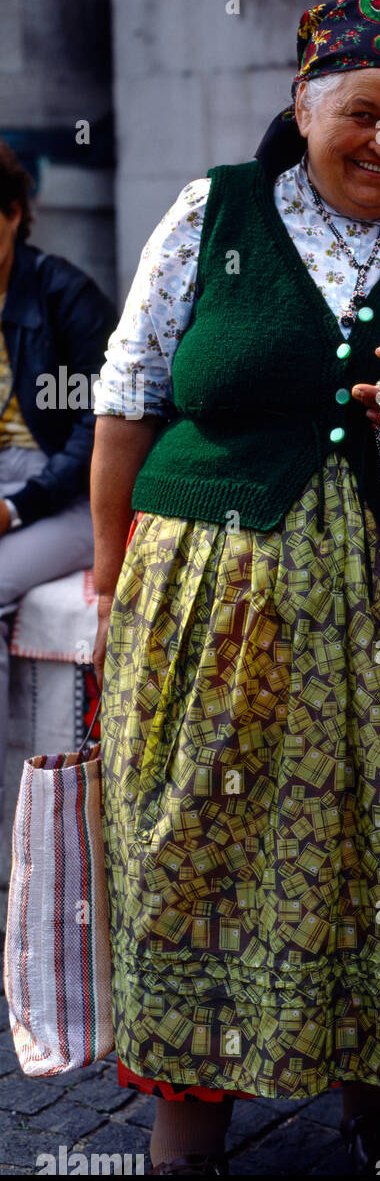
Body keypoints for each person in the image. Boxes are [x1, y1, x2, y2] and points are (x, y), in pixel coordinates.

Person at [91, 0, 380, 1175]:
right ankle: (186, 1128)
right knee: (202, 843)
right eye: (361, 113)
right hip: (221, 617)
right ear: (302, 107)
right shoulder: (215, 213)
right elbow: (127, 396)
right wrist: (108, 572)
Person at [0, 140, 115, 822]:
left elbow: (103, 428)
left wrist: (17, 507)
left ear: (14, 213)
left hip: (66, 492)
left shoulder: (66, 295)